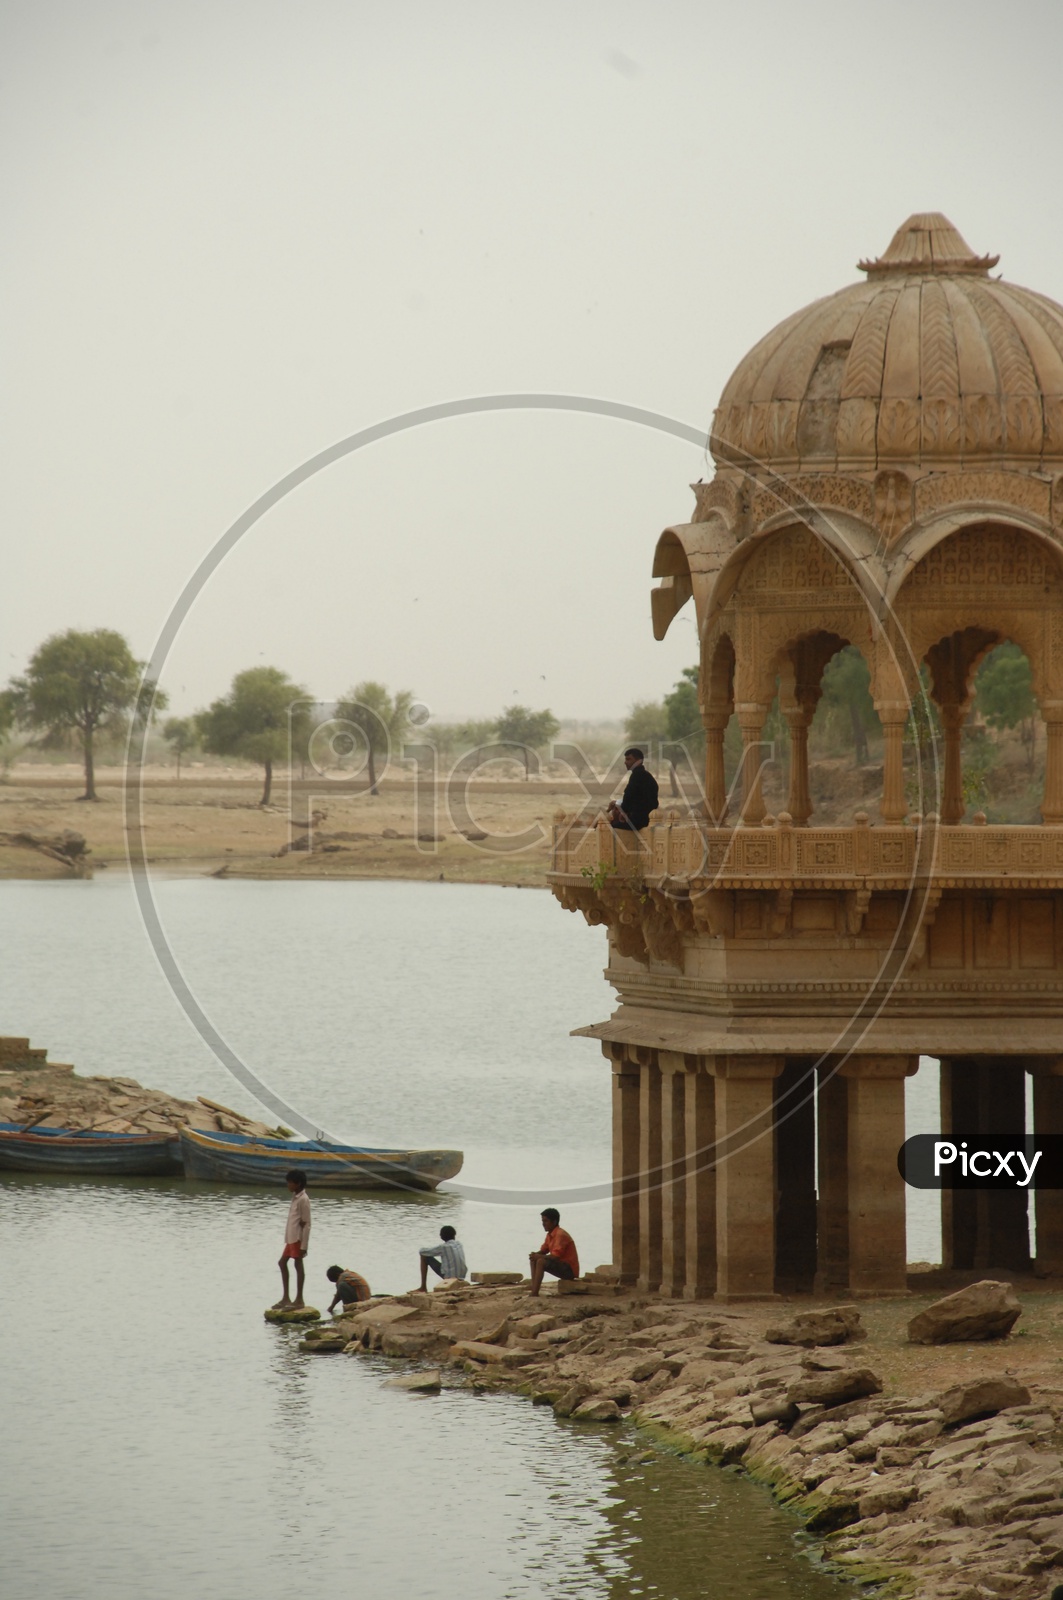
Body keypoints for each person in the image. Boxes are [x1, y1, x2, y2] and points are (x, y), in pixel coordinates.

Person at [272, 1169, 311, 1311]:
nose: (288, 1185)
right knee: (282, 1263)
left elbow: (307, 1223)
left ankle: (299, 1299)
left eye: (290, 1183)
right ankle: (286, 1298)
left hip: (298, 1239)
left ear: (298, 1184)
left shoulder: (303, 1199)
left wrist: (304, 1245)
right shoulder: (295, 1197)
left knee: (298, 1265)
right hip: (291, 1237)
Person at [528, 1207, 579, 1297]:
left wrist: (539, 1257)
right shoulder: (549, 1235)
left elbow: (555, 1257)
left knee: (541, 1261)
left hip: (568, 1269)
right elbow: (544, 1250)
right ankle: (534, 1288)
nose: (543, 1224)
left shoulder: (560, 1234)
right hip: (560, 1265)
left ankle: (535, 1293)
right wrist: (535, 1254)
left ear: (554, 1222)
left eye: (546, 1221)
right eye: (542, 1221)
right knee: (534, 1259)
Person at [607, 748, 659, 832]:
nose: (625, 762)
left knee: (608, 828)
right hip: (646, 819)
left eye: (628, 759)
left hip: (637, 822)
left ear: (638, 760)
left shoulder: (637, 776)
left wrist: (623, 810)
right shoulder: (647, 776)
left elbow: (629, 795)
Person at [418, 1224, 467, 1290]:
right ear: (454, 1235)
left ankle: (423, 1287)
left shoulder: (443, 1247)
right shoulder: (459, 1244)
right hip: (462, 1277)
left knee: (424, 1256)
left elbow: (422, 1251)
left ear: (441, 1237)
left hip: (449, 1277)